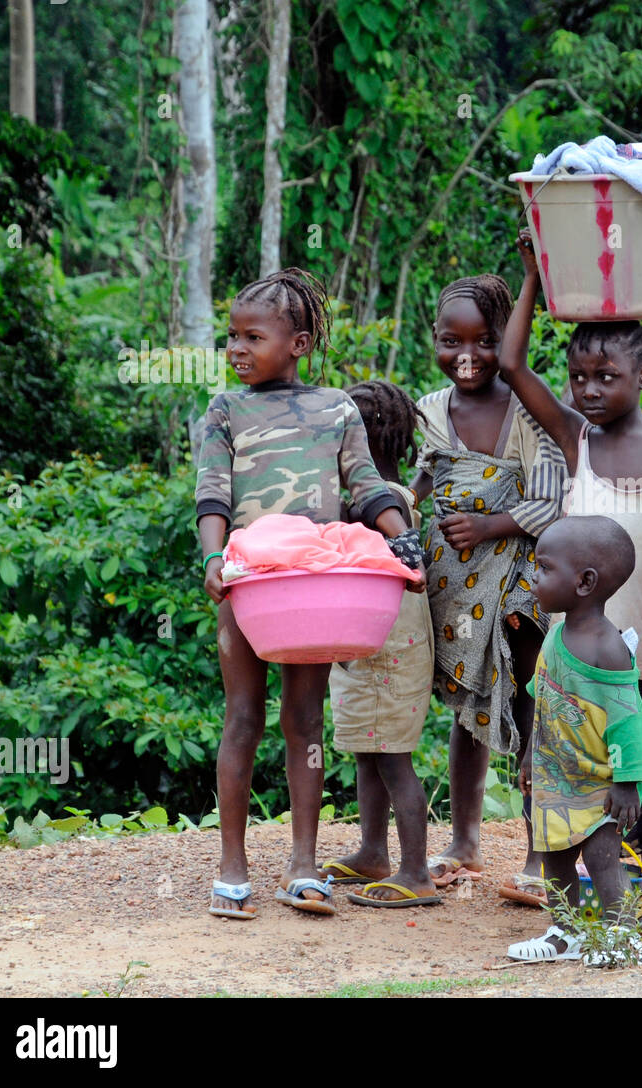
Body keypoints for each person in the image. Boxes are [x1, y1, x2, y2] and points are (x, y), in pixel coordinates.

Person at [196, 269, 424, 919]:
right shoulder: (224, 410)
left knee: (306, 721)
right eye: (231, 336)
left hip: (313, 587)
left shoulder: (336, 410)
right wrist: (214, 557)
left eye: (252, 336)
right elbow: (212, 493)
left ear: (297, 343)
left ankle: (303, 865)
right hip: (249, 585)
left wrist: (402, 536)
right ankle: (232, 867)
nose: (236, 348)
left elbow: (367, 485)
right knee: (243, 717)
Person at [499, 234, 642, 918]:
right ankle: (577, 879)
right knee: (572, 766)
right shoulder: (574, 439)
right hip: (574, 656)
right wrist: (533, 276)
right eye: (578, 377)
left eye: (607, 377)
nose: (588, 390)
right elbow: (509, 363)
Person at [413, 274, 567, 904]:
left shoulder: (529, 409)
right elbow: (423, 481)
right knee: (468, 703)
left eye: (482, 340)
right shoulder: (429, 410)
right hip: (452, 580)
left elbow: (553, 498)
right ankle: (465, 838)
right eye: (451, 340)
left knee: (531, 701)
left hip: (522, 581)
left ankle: (539, 851)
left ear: (504, 339)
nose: (465, 354)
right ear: (434, 339)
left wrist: (491, 524)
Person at [314, 381, 441, 908]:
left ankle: (416, 873)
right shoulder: (401, 498)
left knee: (392, 760)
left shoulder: (367, 507)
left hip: (387, 651)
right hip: (373, 649)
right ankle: (372, 851)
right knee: (369, 753)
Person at [506, 517, 642, 962]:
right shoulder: (554, 635)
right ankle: (566, 932)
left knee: (602, 857)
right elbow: (542, 699)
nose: (534, 579)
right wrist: (530, 755)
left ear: (585, 582)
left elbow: (629, 721)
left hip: (598, 781)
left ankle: (625, 936)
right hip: (556, 776)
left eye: (544, 568)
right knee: (555, 860)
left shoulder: (607, 648)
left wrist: (627, 782)